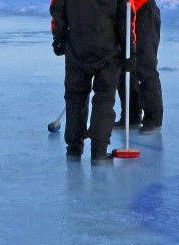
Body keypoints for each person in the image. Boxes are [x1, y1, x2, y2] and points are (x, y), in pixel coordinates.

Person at [51, 0, 126, 162]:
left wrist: (58, 38)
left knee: (75, 97)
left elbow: (58, 10)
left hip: (77, 44)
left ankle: (73, 149)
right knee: (104, 99)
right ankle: (98, 151)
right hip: (108, 45)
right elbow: (126, 15)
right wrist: (129, 51)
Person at [115, 0, 162, 134]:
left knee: (145, 64)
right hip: (122, 13)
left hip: (142, 12)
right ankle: (131, 115)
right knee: (123, 65)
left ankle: (154, 117)